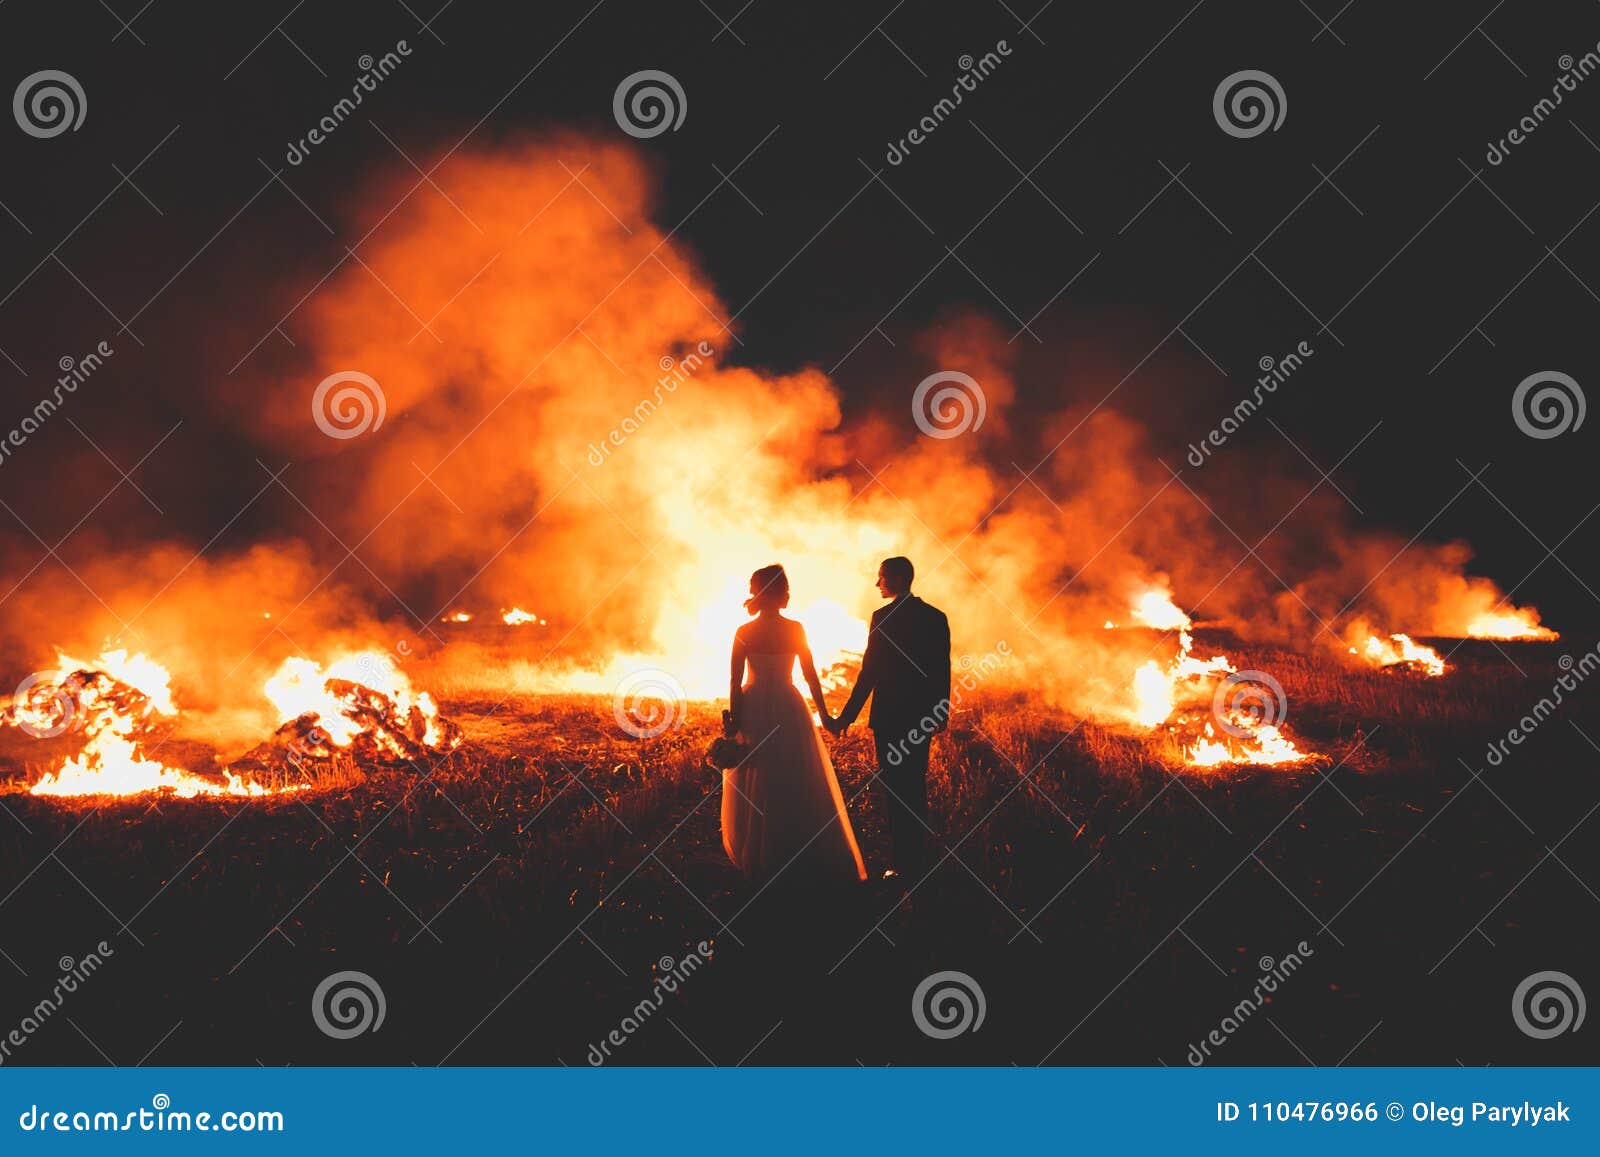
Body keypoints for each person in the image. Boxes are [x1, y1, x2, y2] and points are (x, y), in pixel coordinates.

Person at [722, 565, 867, 883]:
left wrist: (734, 718)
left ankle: (761, 851)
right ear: (782, 593)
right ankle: (798, 847)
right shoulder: (796, 629)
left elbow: (734, 681)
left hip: (754, 704)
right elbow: (811, 676)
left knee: (757, 772)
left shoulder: (744, 632)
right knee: (794, 771)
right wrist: (826, 715)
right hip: (790, 704)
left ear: (757, 592)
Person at [827, 556, 950, 883]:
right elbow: (941, 668)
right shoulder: (935, 617)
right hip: (920, 716)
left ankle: (900, 862)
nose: (876, 583)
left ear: (895, 579)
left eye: (881, 577)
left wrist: (845, 718)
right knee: (914, 783)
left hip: (890, 717)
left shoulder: (883, 617)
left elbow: (870, 673)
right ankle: (917, 858)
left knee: (895, 788)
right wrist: (941, 709)